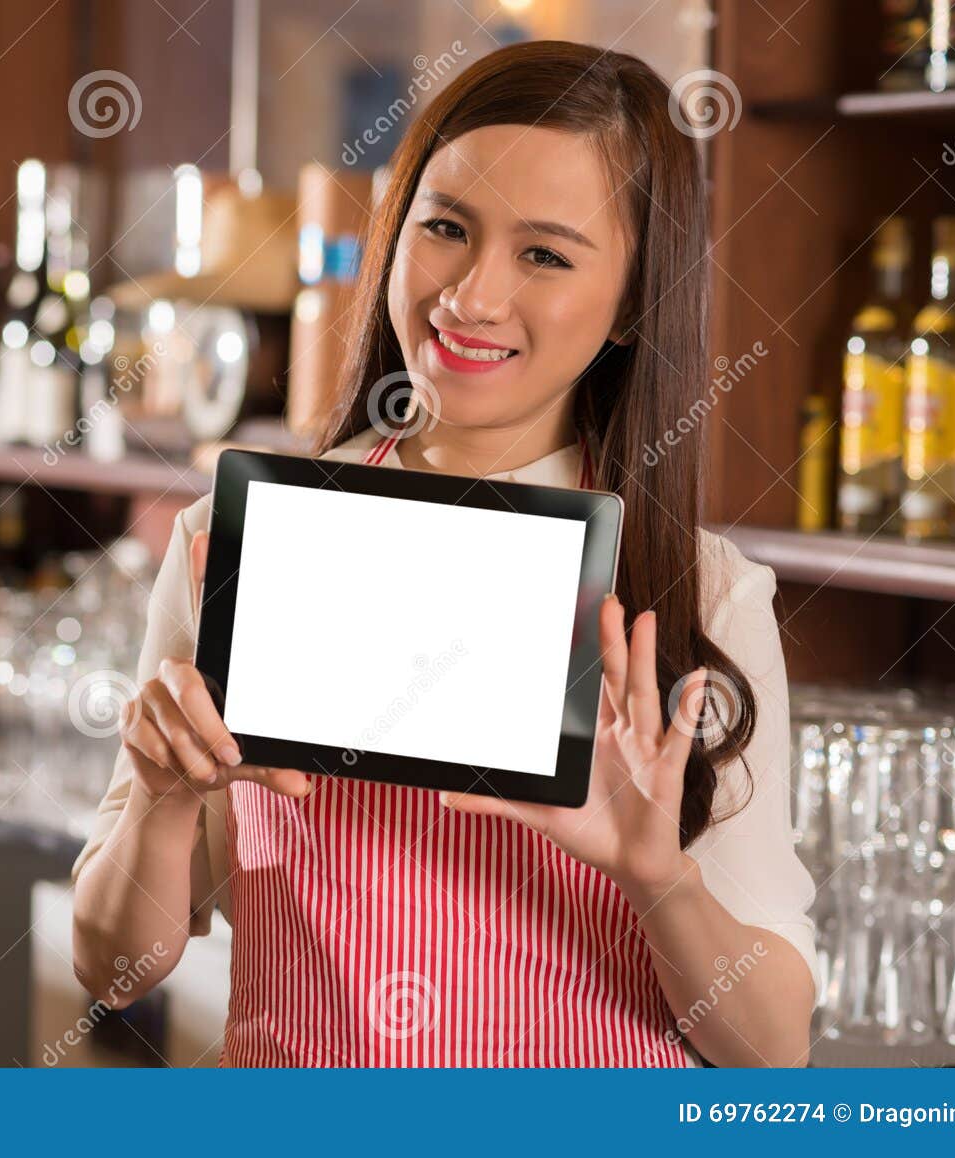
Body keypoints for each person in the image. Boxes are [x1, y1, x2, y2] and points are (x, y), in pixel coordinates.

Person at [71, 39, 819, 1067]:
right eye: (446, 228)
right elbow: (113, 971)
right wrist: (161, 803)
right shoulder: (235, 546)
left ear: (633, 302)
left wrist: (661, 880)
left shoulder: (701, 595)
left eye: (546, 254)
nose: (470, 295)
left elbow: (770, 1050)